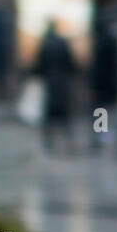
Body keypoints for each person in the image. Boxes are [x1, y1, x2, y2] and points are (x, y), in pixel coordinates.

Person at [33, 19, 76, 154]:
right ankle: (67, 142)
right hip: (62, 82)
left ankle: (49, 143)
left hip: (50, 82)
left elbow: (39, 65)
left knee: (49, 115)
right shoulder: (62, 42)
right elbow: (70, 62)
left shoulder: (44, 43)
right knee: (64, 115)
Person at [89, 15, 117, 157]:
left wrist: (93, 86)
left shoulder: (99, 43)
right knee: (115, 117)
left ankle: (101, 143)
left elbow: (97, 68)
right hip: (113, 85)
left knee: (102, 116)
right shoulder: (113, 41)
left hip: (102, 86)